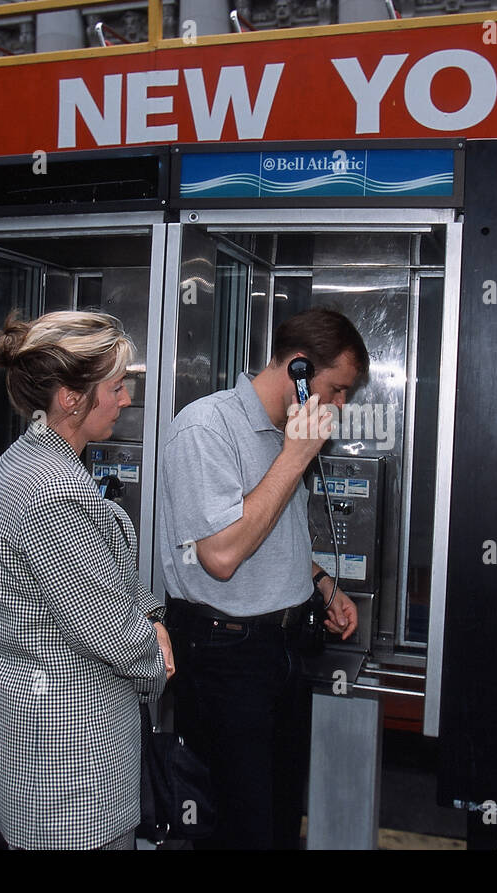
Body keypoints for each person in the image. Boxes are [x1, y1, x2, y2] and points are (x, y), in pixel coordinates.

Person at [157, 307, 367, 849]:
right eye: (337, 390)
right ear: (299, 368)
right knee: (238, 824)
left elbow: (270, 529)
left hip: (285, 647)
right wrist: (295, 459)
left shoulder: (285, 432)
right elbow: (222, 555)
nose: (341, 407)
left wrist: (321, 583)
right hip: (226, 654)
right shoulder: (206, 427)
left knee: (278, 815)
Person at [0, 310, 174, 851]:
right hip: (71, 769)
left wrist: (144, 615)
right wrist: (155, 650)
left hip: (32, 742)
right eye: (117, 386)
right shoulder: (54, 490)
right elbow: (108, 632)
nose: (126, 400)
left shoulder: (21, 461)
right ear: (69, 397)